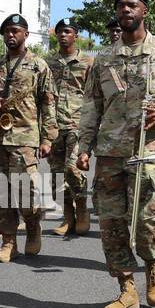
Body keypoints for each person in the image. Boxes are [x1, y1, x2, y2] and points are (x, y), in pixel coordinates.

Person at [77, 0, 155, 308]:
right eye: (121, 5)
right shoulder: (104, 57)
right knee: (110, 222)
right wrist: (83, 147)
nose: (125, 10)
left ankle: (154, 264)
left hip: (147, 150)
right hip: (110, 151)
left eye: (132, 5)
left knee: (146, 218)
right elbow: (91, 105)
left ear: (144, 11)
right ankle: (126, 289)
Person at [0, 13, 56, 262]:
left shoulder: (39, 65)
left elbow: (48, 103)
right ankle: (7, 241)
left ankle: (33, 227)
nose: (11, 35)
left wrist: (47, 139)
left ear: (26, 34)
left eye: (16, 30)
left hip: (25, 136)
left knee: (27, 191)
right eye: (7, 31)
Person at [46, 17, 91, 237]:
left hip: (78, 124)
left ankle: (82, 210)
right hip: (53, 125)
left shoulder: (88, 63)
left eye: (67, 31)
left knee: (72, 170)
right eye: (60, 32)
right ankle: (67, 216)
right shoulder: (48, 62)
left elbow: (94, 96)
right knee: (56, 175)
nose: (63, 35)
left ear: (76, 35)